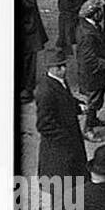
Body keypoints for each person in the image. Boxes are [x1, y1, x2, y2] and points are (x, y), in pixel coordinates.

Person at [36, 49, 87, 183]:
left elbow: (66, 99)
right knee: (62, 183)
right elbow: (43, 125)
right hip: (58, 147)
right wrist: (66, 137)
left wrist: (78, 106)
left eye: (64, 65)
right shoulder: (46, 91)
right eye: (59, 66)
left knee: (75, 178)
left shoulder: (59, 81)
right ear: (49, 67)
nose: (63, 69)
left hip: (69, 138)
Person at [75, 0, 105, 134]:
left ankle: (93, 120)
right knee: (92, 102)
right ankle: (88, 129)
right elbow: (89, 60)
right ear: (94, 14)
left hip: (96, 73)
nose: (102, 13)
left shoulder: (91, 26)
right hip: (92, 74)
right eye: (100, 11)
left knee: (97, 99)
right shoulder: (88, 34)